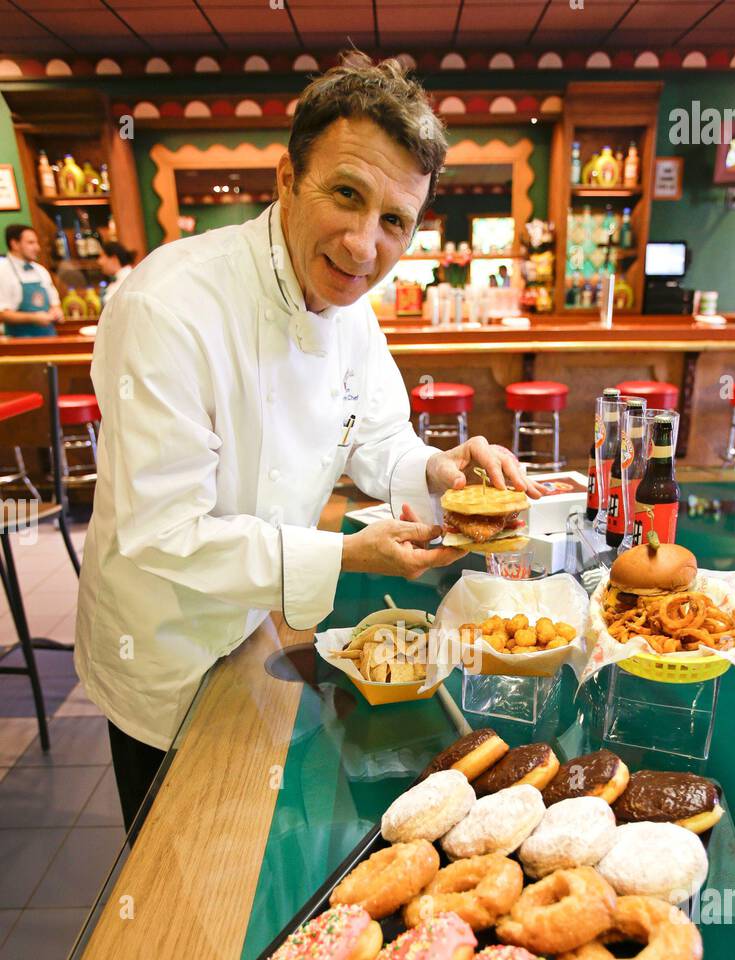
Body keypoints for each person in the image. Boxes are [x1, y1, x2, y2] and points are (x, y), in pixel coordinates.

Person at [75, 52, 541, 832]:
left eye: (395, 221)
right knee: (178, 884)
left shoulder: (351, 309)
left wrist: (440, 468)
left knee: (260, 846)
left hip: (254, 626)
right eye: (346, 196)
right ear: (287, 180)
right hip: (163, 643)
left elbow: (379, 437)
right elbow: (164, 532)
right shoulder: (167, 308)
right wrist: (348, 554)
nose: (364, 246)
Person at [0, 224, 63, 337]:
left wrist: (56, 311)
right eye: (31, 243)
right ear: (14, 244)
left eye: (37, 242)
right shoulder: (3, 270)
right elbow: (2, 313)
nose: (37, 248)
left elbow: (54, 303)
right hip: (20, 343)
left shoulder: (40, 270)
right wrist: (33, 318)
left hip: (49, 336)